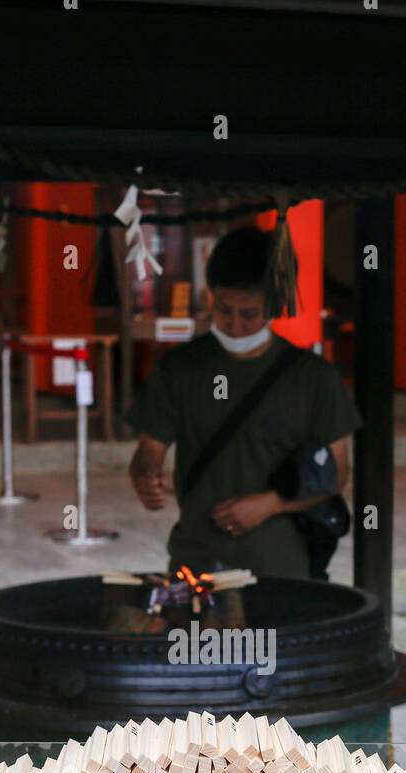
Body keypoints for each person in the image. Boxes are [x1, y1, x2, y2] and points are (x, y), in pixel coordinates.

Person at [126, 225, 362, 579]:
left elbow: (335, 476)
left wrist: (271, 505)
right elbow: (149, 449)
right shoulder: (179, 368)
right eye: (224, 309)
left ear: (275, 305)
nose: (235, 325)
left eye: (249, 314)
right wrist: (145, 475)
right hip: (198, 566)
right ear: (210, 296)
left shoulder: (314, 378)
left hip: (282, 571)